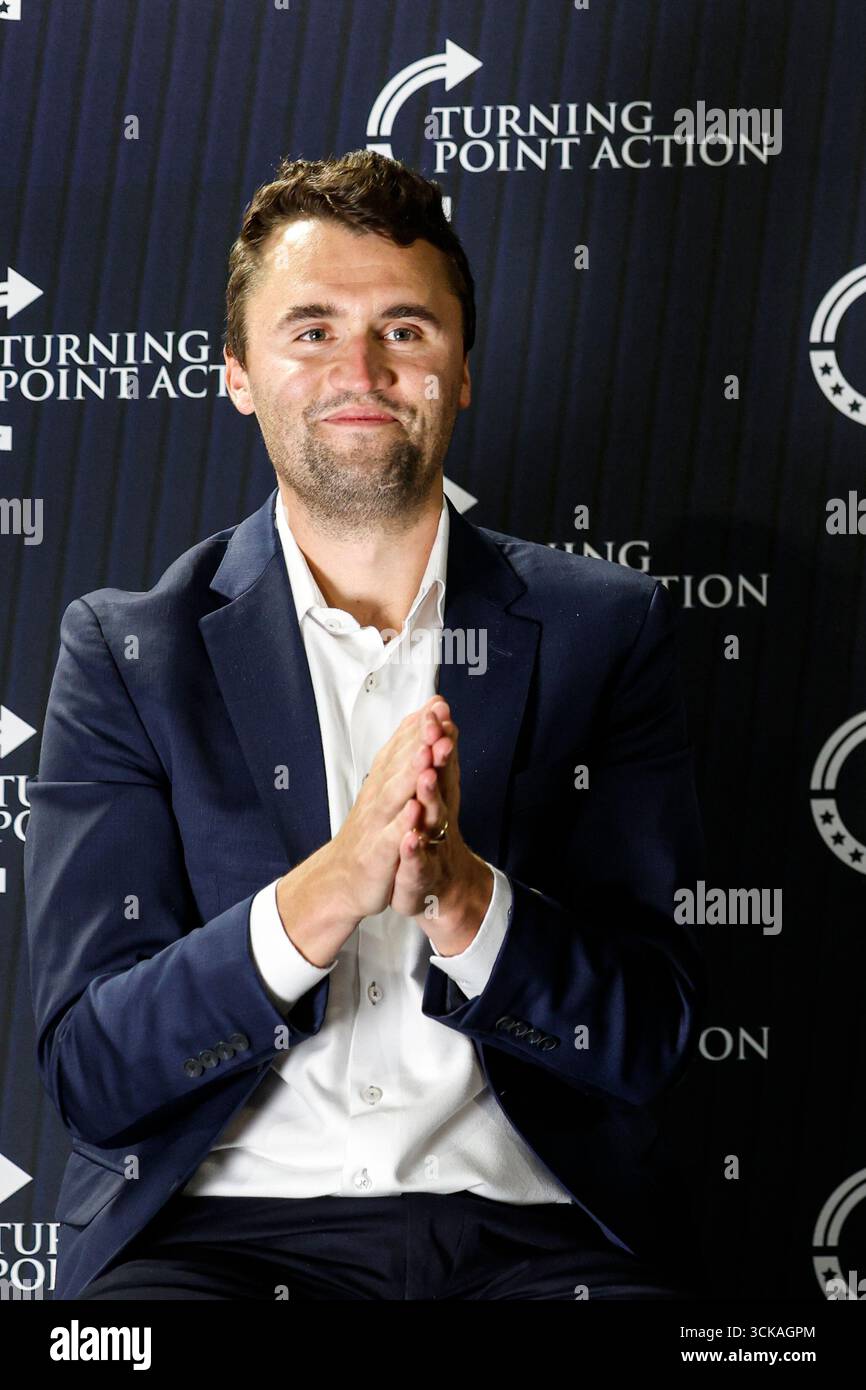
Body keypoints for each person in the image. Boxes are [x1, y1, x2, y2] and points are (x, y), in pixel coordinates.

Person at [24, 150, 707, 1301]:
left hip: (534, 1249)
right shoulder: (131, 653)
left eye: (403, 329)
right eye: (309, 330)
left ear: (462, 367)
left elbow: (642, 1041)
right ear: (236, 372)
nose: (359, 369)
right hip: (213, 1251)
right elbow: (94, 1070)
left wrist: (458, 892)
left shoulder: (608, 630)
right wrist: (330, 888)